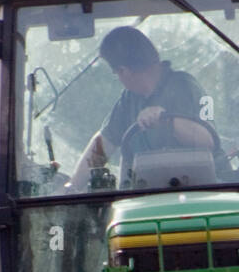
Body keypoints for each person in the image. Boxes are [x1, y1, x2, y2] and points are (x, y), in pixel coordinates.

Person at [71, 26, 220, 189]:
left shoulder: (185, 87)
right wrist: (71, 189)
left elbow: (207, 141)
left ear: (123, 71)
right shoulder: (129, 100)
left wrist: (166, 120)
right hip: (148, 194)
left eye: (116, 73)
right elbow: (102, 146)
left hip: (201, 190)